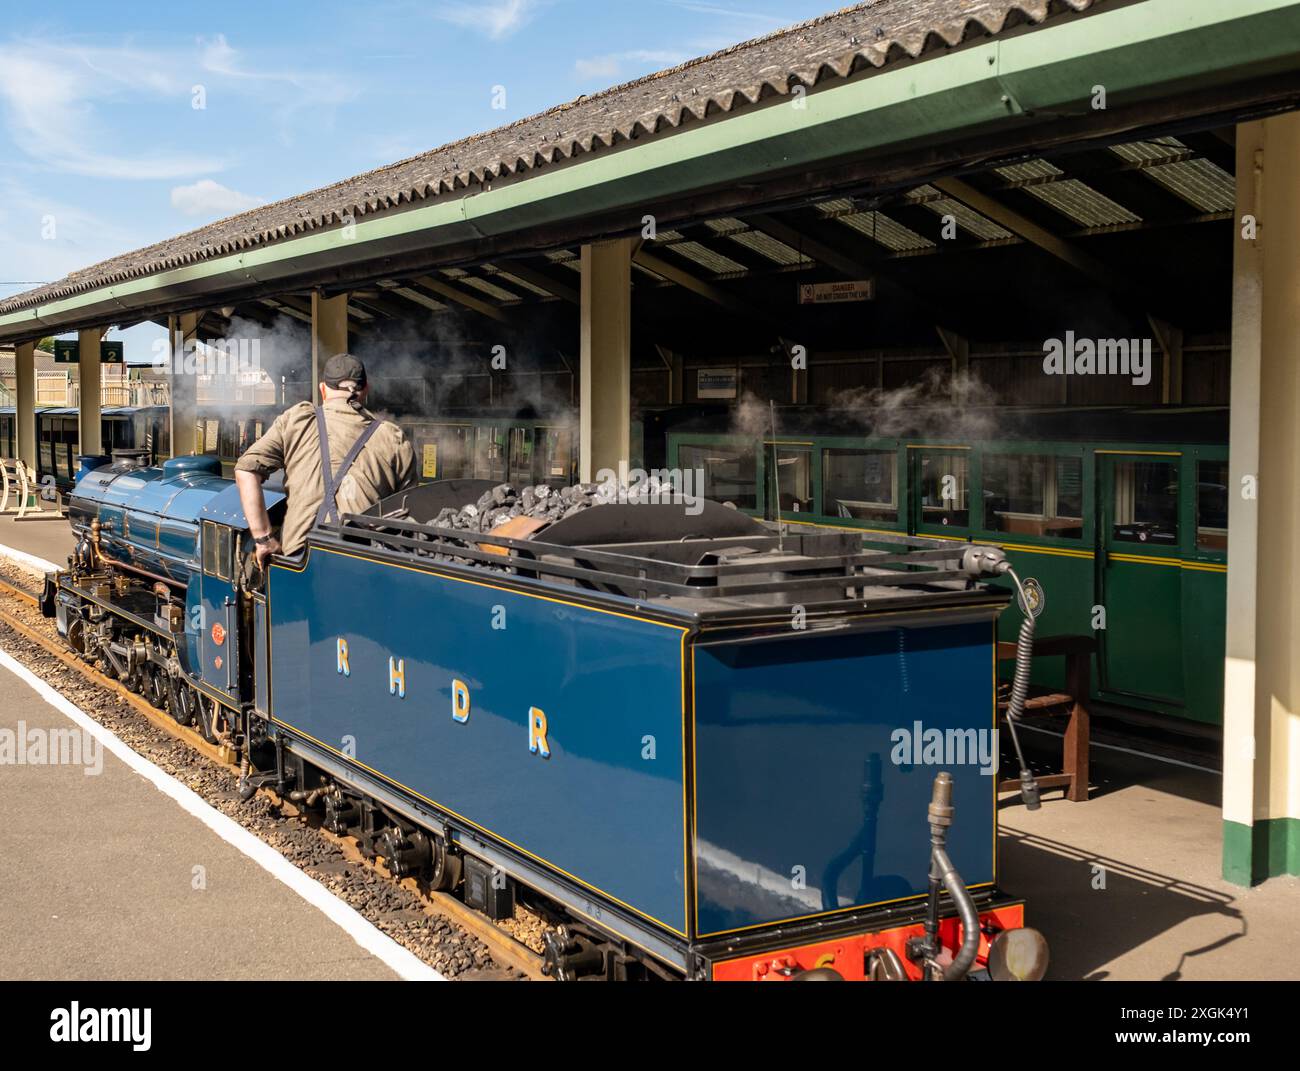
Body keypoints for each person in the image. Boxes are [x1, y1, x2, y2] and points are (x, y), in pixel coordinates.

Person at [235, 353, 417, 567]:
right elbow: (407, 507)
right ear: (366, 390)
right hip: (367, 560)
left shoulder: (298, 421)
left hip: (300, 558)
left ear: (323, 389)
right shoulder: (392, 436)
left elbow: (246, 470)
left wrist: (264, 539)